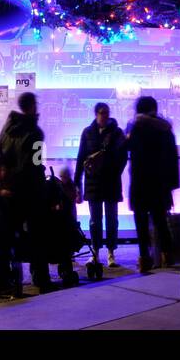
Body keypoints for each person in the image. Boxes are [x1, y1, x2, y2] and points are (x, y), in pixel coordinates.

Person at [0, 92, 49, 298]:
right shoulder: (35, 133)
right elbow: (36, 165)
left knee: (2, 241)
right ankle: (38, 279)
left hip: (3, 194)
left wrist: (1, 186)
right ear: (32, 107)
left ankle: (1, 282)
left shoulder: (7, 129)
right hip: (25, 194)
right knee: (35, 236)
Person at [124, 95, 180, 274]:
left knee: (141, 223)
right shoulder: (165, 129)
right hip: (159, 183)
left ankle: (144, 260)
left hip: (140, 182)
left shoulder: (135, 128)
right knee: (160, 220)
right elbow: (172, 158)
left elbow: (124, 148)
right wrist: (172, 184)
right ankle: (167, 256)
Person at [75, 102, 127, 267]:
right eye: (101, 113)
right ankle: (96, 252)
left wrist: (115, 171)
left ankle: (111, 252)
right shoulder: (88, 132)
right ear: (96, 114)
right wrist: (77, 183)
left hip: (109, 181)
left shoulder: (116, 133)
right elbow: (81, 157)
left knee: (111, 219)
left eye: (106, 113)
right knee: (95, 220)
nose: (104, 116)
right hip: (94, 182)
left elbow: (123, 157)